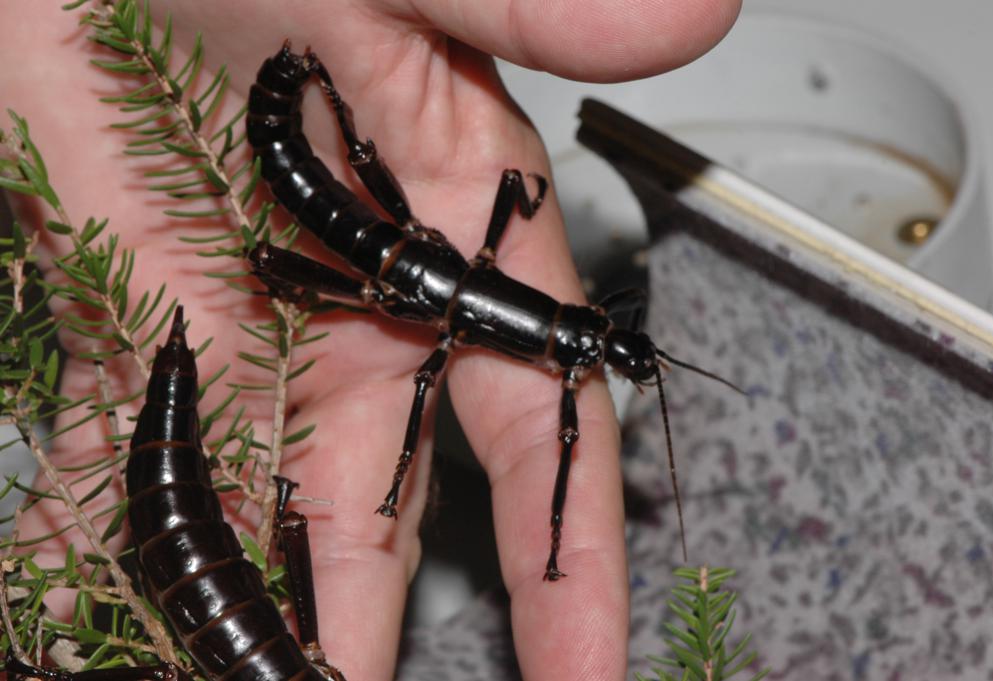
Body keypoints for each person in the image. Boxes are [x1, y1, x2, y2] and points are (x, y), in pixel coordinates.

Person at [0, 1, 741, 679]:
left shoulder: (529, 315)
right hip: (351, 225)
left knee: (342, 199)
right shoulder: (537, 345)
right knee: (336, 178)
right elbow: (441, 385)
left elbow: (453, 372)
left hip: (396, 260)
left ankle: (308, 89)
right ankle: (308, 79)